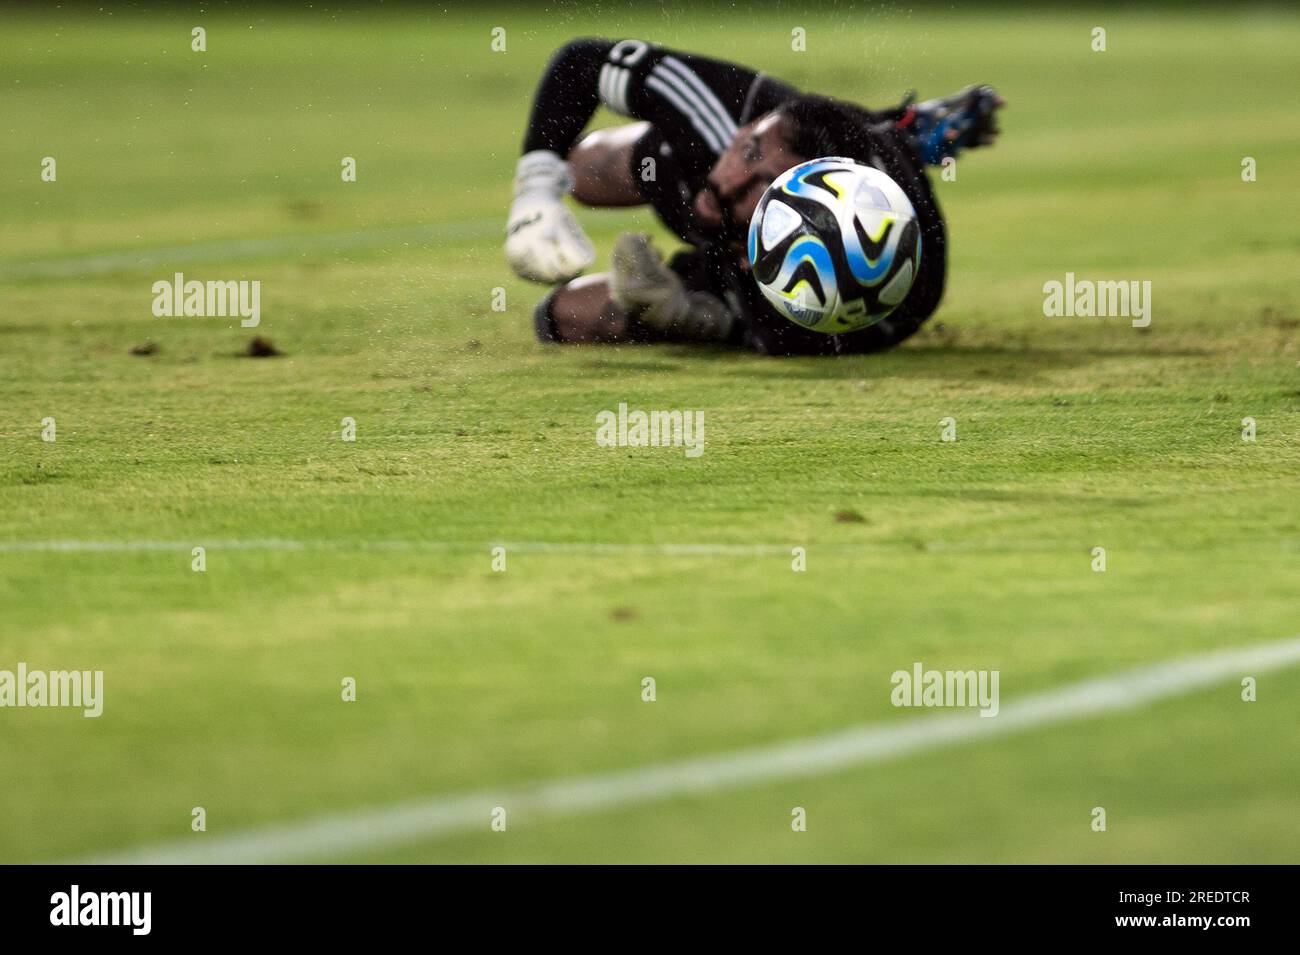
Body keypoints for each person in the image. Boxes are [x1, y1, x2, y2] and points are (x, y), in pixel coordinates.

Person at [506, 38, 1002, 356]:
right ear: (751, 128)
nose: (732, 181)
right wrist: (536, 189)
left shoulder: (857, 301)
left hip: (759, 263)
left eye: (763, 184)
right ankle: (909, 129)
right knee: (581, 170)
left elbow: (769, 332)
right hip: (755, 189)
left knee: (559, 318)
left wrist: (690, 316)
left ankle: (902, 136)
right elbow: (583, 61)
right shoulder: (732, 115)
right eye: (749, 150)